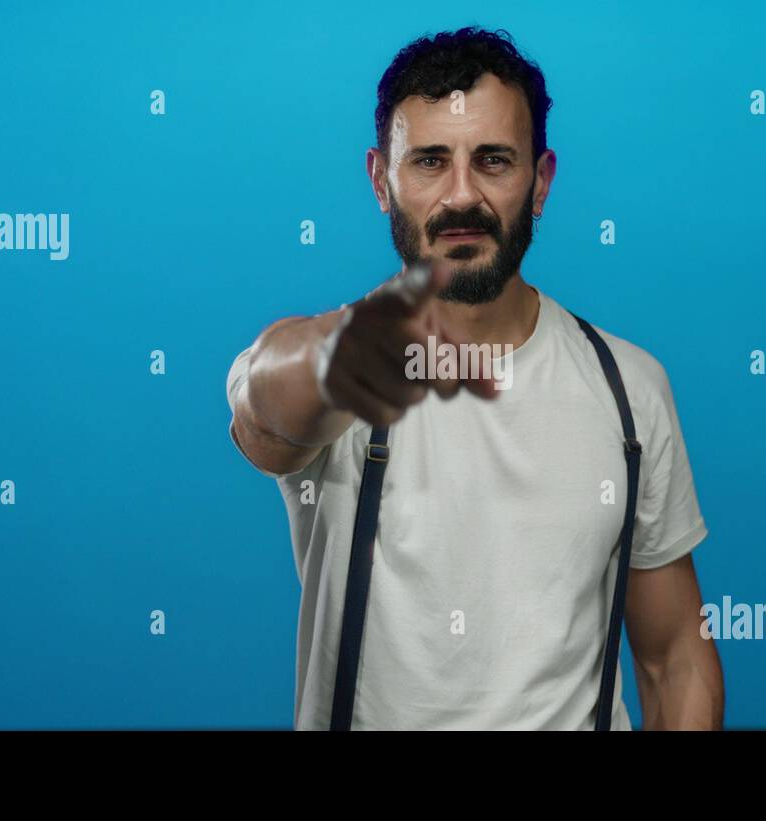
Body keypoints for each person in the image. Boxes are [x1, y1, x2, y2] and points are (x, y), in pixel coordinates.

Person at [226, 26, 722, 730]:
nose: (463, 196)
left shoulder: (629, 388)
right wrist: (326, 362)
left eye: (493, 160)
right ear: (380, 180)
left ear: (540, 180)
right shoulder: (334, 368)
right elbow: (260, 412)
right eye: (430, 161)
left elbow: (676, 659)